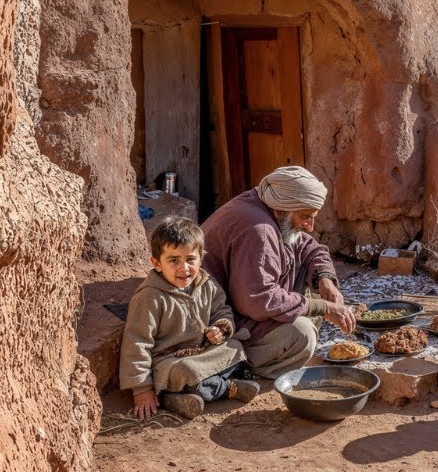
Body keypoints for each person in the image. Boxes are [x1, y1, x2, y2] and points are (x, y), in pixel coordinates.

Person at [201, 166, 356, 379]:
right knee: (302, 335)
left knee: (317, 292)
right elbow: (257, 298)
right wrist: (322, 307)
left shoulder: (269, 207)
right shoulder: (260, 229)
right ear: (283, 208)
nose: (310, 226)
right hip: (219, 317)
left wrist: (325, 280)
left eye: (313, 217)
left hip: (243, 302)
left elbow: (310, 248)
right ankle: (239, 363)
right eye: (305, 217)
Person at [119, 217, 260, 420]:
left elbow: (222, 310)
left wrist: (221, 328)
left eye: (190, 259)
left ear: (201, 258)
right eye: (174, 260)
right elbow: (136, 343)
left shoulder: (206, 283)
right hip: (169, 361)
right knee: (187, 371)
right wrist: (141, 390)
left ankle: (193, 393)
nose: (184, 268)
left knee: (236, 346)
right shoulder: (150, 296)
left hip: (202, 351)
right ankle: (222, 389)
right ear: (157, 263)